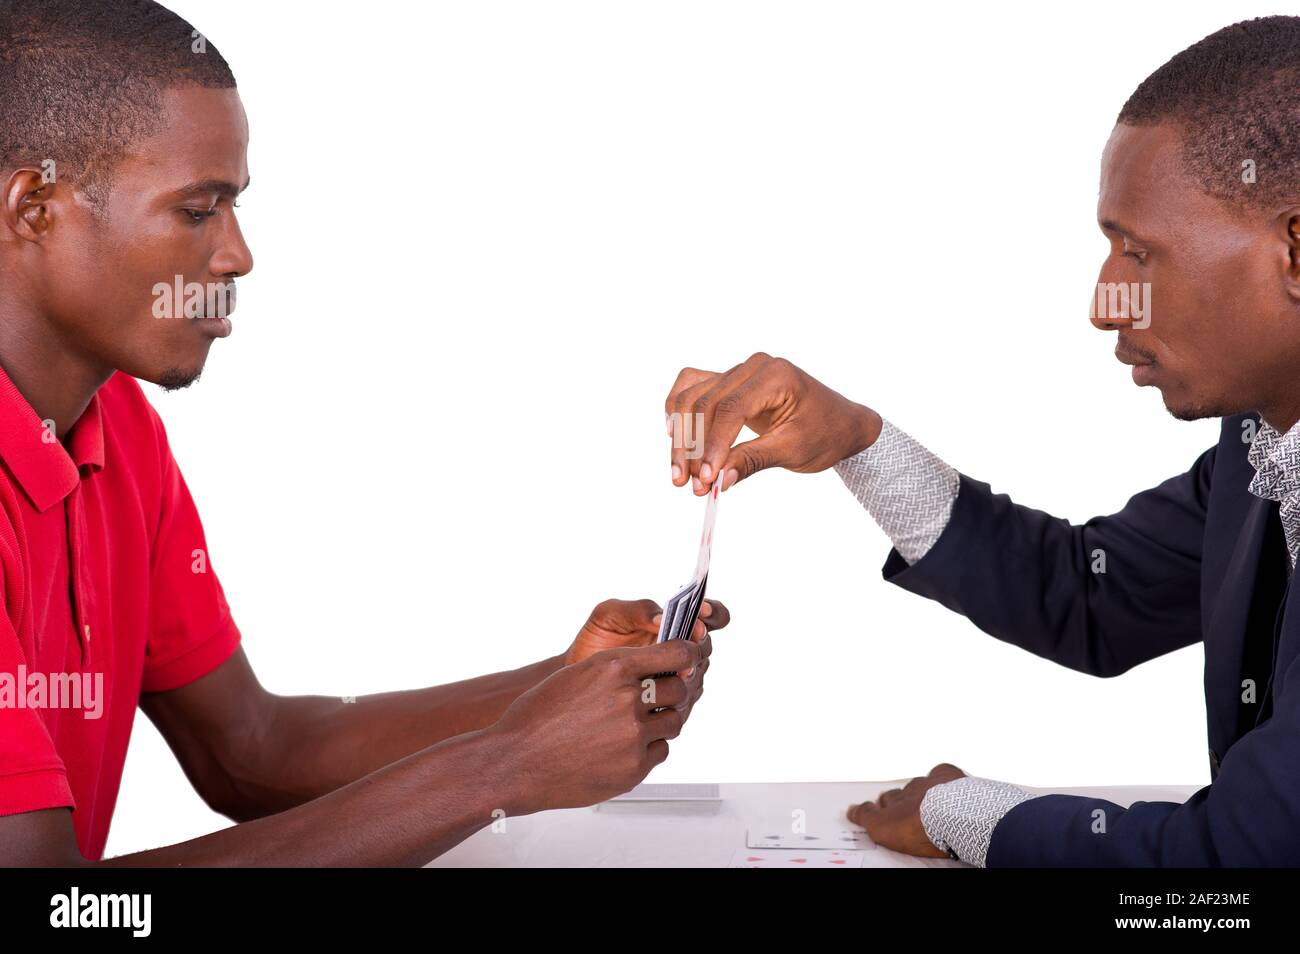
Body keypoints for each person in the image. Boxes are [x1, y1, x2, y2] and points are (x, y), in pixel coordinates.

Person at [0, 0, 727, 867]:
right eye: (199, 210)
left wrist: (555, 686)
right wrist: (502, 766)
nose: (238, 255)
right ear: (34, 205)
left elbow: (250, 748)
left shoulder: (117, 429)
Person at [664, 16, 1300, 867]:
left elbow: (1236, 864)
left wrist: (965, 815)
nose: (1106, 303)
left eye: (1139, 253)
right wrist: (857, 439)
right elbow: (1091, 592)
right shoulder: (1262, 447)